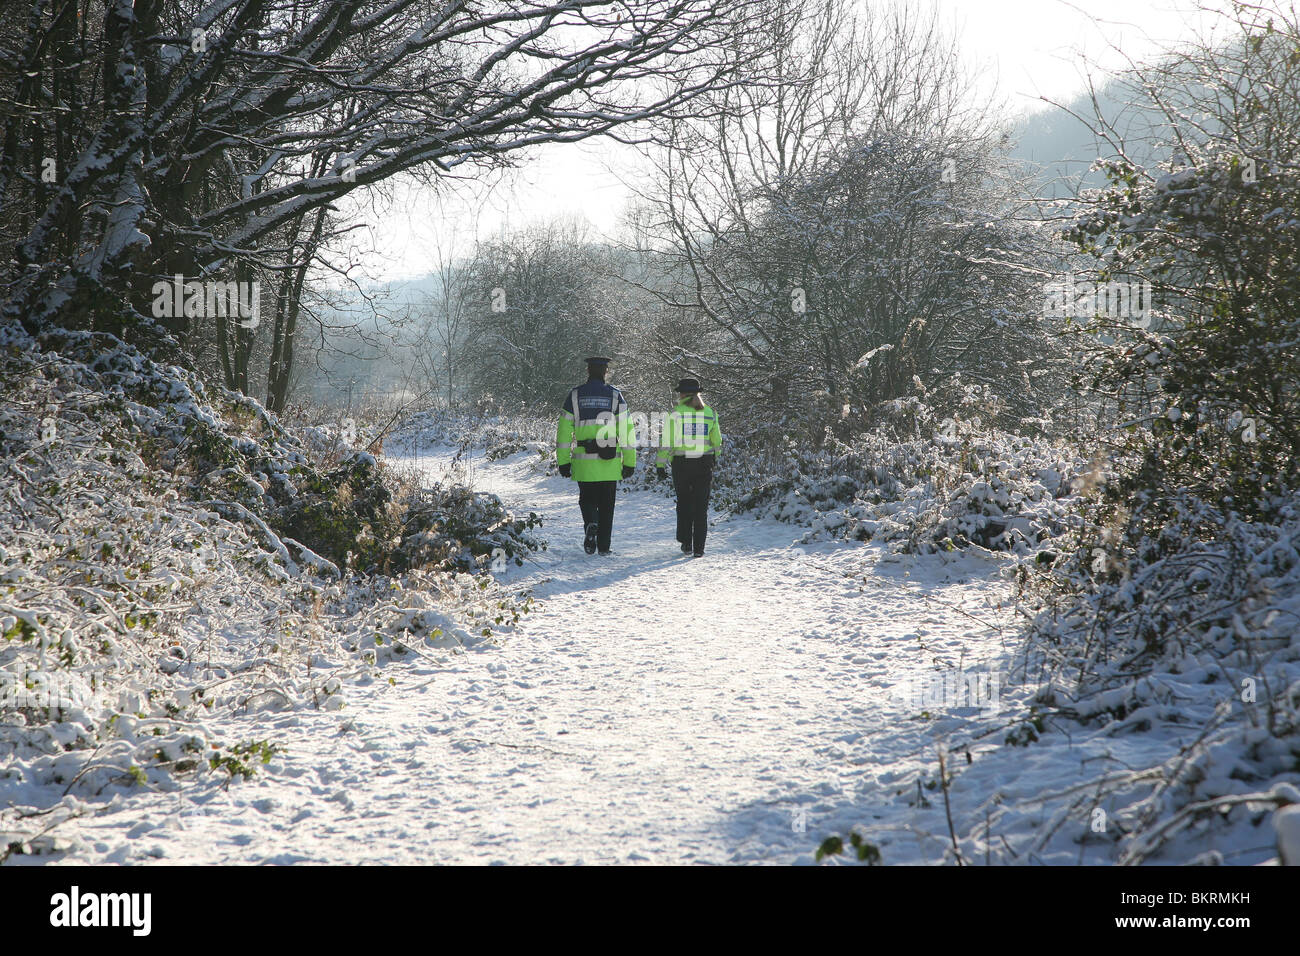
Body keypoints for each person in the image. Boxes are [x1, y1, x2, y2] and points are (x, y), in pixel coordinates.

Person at [555, 356, 636, 555]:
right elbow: (626, 431)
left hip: (585, 462)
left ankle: (591, 523)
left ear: (588, 371)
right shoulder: (616, 396)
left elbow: (564, 432)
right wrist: (630, 462)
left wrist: (563, 461)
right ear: (605, 372)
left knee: (587, 499)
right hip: (610, 461)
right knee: (607, 505)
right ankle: (604, 547)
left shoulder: (575, 396)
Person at [655, 377, 722, 557]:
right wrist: (715, 457)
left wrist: (660, 464)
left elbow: (667, 442)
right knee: (701, 507)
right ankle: (699, 548)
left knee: (684, 503)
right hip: (704, 463)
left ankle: (686, 542)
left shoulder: (676, 414)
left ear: (683, 394)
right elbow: (717, 441)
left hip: (682, 464)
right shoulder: (710, 413)